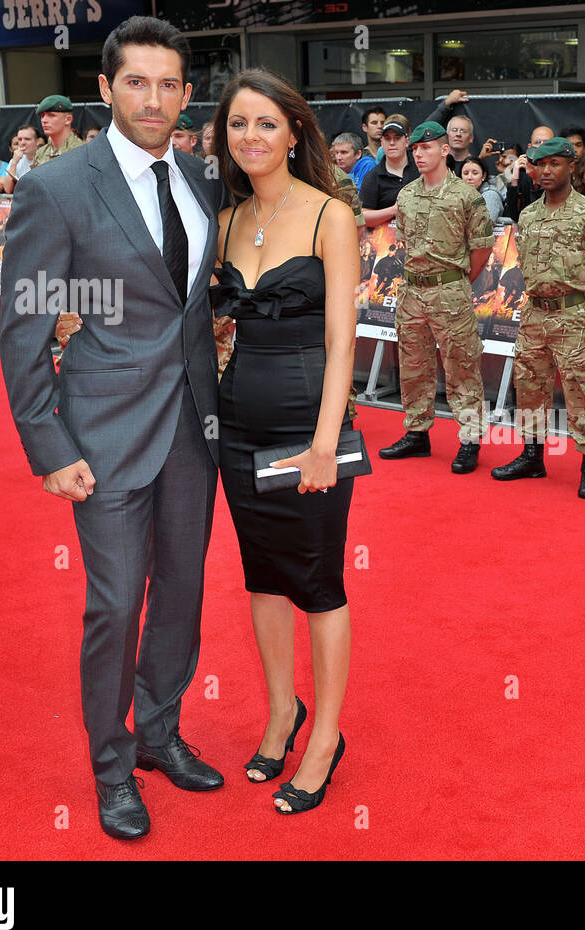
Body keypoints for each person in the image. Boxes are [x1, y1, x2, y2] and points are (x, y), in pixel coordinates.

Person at [0, 15, 226, 840]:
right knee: (115, 602)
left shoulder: (202, 177)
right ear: (105, 88)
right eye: (137, 81)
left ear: (187, 94)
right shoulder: (58, 186)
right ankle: (111, 765)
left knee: (185, 595)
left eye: (170, 84)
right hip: (100, 432)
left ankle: (161, 734)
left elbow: (194, 307)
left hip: (191, 431)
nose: (154, 98)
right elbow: (25, 323)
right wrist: (48, 444)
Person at [209, 68, 357, 811]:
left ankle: (325, 736)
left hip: (309, 428)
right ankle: (281, 713)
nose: (252, 138)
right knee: (262, 577)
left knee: (318, 584)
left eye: (267, 123)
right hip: (238, 426)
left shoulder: (332, 215)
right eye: (239, 125)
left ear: (295, 132)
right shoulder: (229, 219)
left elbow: (342, 340)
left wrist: (327, 441)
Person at [491, 137, 585, 498]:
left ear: (571, 167)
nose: (545, 171)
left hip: (573, 312)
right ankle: (532, 456)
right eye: (539, 165)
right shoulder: (528, 215)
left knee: (582, 391)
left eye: (554, 164)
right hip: (534, 314)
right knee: (530, 388)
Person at [377, 121, 495, 473]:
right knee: (413, 367)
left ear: (445, 150)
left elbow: (481, 250)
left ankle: (470, 439)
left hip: (450, 292)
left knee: (461, 367)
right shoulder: (406, 195)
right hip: (413, 290)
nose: (419, 153)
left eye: (426, 148)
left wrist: (455, 281)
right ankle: (417, 432)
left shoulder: (466, 196)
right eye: (415, 149)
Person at [358, 114, 417, 226]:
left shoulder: (420, 168)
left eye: (397, 138)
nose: (392, 143)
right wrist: (393, 210)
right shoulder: (373, 176)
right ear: (381, 143)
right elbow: (363, 216)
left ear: (407, 141)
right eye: (387, 138)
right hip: (385, 240)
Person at [503, 125, 553, 220]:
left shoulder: (561, 170)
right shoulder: (523, 171)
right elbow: (513, 215)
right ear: (530, 146)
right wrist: (515, 177)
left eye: (547, 142)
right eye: (537, 142)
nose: (541, 146)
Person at [33, 95, 85, 167]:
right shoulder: (40, 153)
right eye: (42, 116)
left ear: (68, 119)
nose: (44, 120)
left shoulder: (81, 151)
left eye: (51, 115)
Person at [460, 155, 503, 222]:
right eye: (465, 173)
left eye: (475, 173)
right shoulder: (461, 194)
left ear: (484, 176)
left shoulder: (490, 195)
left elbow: (485, 225)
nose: (469, 177)